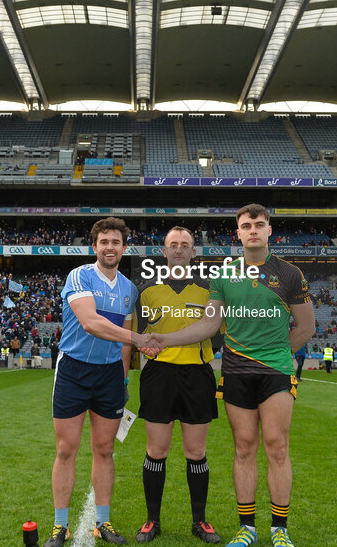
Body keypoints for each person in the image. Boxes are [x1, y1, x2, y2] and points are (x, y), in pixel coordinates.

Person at [154, 204, 315, 547]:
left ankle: (279, 529)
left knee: (277, 447)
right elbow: (209, 324)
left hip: (275, 372)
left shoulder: (290, 274)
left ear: (269, 230)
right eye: (246, 225)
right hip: (236, 371)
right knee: (243, 448)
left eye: (259, 224)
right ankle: (247, 528)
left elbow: (306, 327)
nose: (253, 229)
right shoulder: (224, 275)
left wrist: (275, 355)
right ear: (238, 234)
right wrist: (164, 340)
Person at [42, 217, 153, 547]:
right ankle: (60, 526)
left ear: (124, 248)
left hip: (109, 375)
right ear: (95, 246)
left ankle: (103, 522)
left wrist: (123, 378)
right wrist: (139, 338)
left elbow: (123, 342)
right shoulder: (80, 275)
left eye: (115, 242)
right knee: (66, 449)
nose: (109, 247)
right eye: (104, 242)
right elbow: (90, 322)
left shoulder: (130, 289)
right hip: (73, 371)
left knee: (105, 450)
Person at [133, 226, 222, 544]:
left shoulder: (210, 289)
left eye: (185, 245)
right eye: (174, 244)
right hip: (159, 376)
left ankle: (200, 521)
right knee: (156, 450)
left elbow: (217, 334)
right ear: (165, 251)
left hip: (197, 375)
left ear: (194, 252)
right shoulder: (146, 291)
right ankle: (152, 521)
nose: (179, 249)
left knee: (196, 451)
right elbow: (139, 334)